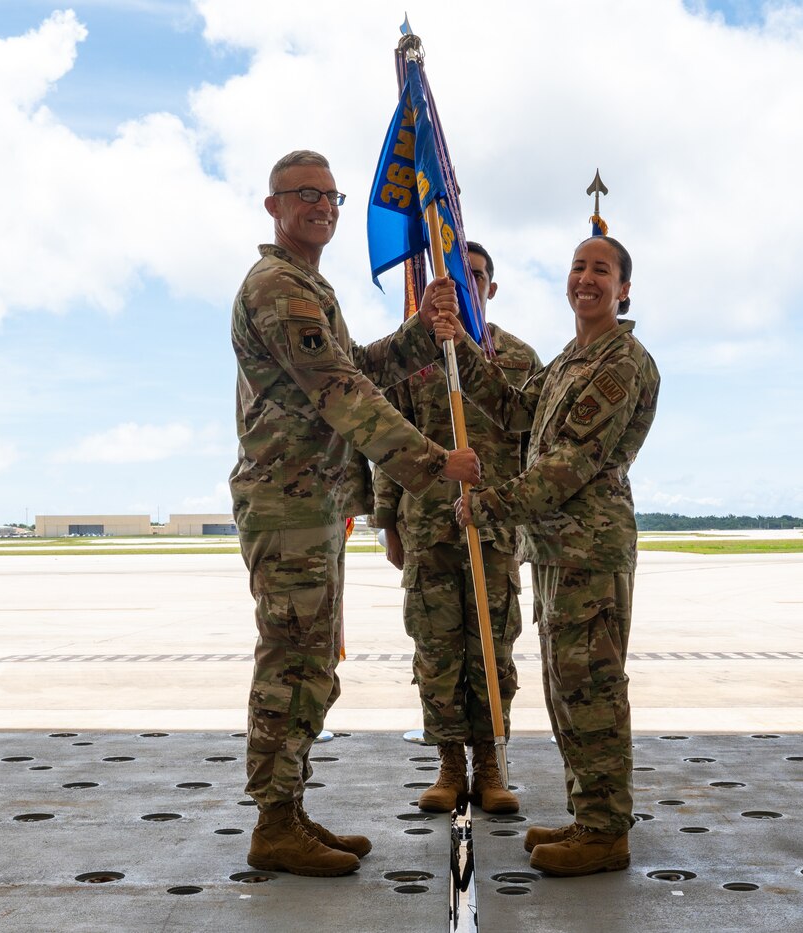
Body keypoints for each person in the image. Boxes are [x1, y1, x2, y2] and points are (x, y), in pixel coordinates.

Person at [229, 149, 480, 877]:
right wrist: (437, 464)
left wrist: (418, 333)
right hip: (290, 505)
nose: (323, 206)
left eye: (332, 196)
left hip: (312, 502)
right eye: (305, 194)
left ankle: (289, 812)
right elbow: (343, 393)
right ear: (273, 205)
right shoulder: (279, 287)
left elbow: (355, 370)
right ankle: (275, 822)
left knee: (309, 664)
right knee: (292, 664)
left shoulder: (307, 284)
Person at [450, 235, 660, 877]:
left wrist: (489, 505)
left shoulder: (619, 363)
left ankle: (604, 832)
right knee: (567, 692)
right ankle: (588, 815)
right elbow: (517, 410)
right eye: (578, 267)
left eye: (602, 269)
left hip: (589, 552)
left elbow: (569, 465)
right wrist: (459, 342)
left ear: (623, 288)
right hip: (556, 550)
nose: (586, 278)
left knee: (593, 691)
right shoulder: (572, 357)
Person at [374, 242, 541, 814]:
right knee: (437, 653)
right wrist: (386, 523)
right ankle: (448, 764)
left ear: (491, 288)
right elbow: (387, 443)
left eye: (476, 276)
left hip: (493, 533)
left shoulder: (517, 360)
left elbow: (534, 448)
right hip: (427, 528)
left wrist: (524, 524)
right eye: (454, 277)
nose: (465, 285)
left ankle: (490, 766)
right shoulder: (414, 357)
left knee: (493, 652)